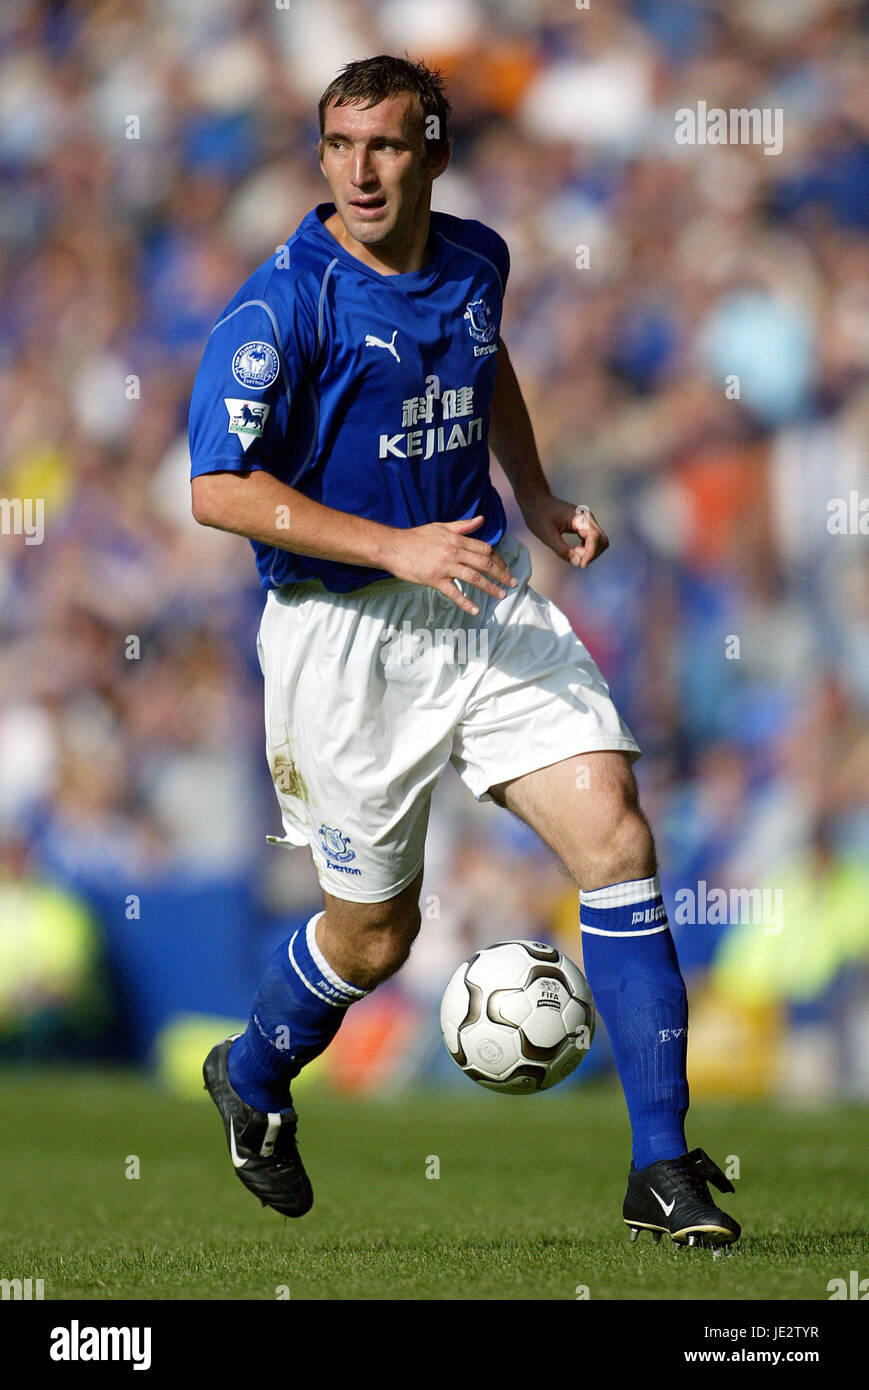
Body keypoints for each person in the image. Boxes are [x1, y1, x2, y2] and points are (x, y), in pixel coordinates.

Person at [188, 54, 739, 1248]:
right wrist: (392, 549)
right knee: (374, 937)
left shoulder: (479, 256)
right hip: (344, 640)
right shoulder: (281, 303)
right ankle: (252, 1068)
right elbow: (219, 491)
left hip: (480, 594)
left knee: (615, 827)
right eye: (340, 146)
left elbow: (480, 367)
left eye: (385, 145)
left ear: (433, 150)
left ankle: (657, 1166)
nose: (361, 170)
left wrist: (533, 495)